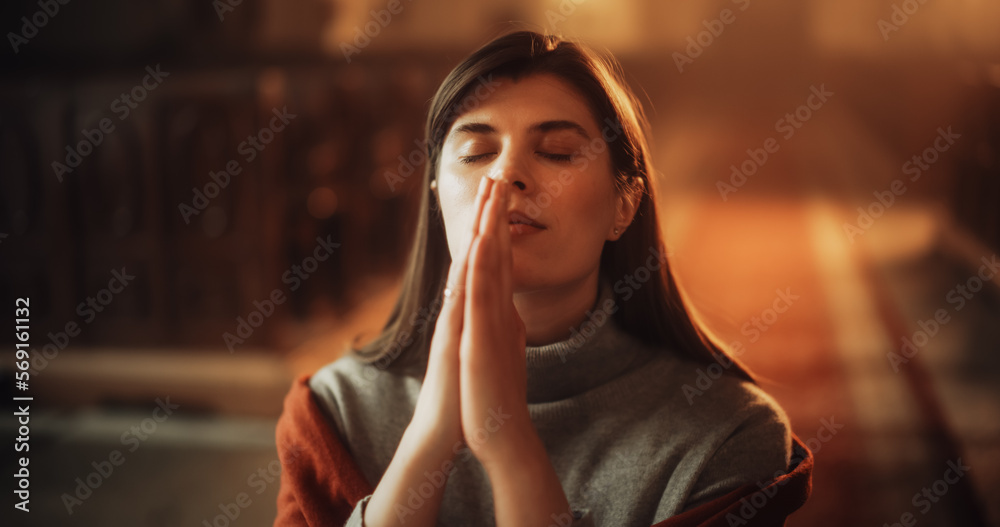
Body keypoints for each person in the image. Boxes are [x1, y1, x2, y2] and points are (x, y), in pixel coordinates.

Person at [274, 30, 813, 527]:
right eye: (476, 152)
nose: (505, 173)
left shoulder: (726, 434)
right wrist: (431, 438)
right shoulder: (336, 408)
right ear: (436, 197)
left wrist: (509, 442)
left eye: (556, 152)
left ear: (623, 206)